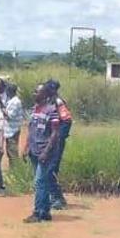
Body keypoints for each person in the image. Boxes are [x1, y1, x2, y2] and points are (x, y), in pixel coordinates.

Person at [23, 83, 62, 223]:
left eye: (37, 92)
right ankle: (45, 212)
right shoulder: (35, 110)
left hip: (45, 152)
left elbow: (55, 133)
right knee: (42, 182)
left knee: (39, 181)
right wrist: (26, 147)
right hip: (34, 150)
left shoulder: (52, 110)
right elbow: (31, 130)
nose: (34, 94)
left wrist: (46, 152)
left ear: (45, 95)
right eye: (34, 92)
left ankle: (38, 212)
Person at [44, 79, 74, 210]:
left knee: (51, 169)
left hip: (56, 142)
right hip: (50, 141)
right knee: (49, 169)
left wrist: (59, 138)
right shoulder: (49, 102)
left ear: (52, 90)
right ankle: (53, 197)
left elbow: (67, 121)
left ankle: (58, 198)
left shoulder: (58, 102)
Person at [2, 82, 25, 166]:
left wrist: (2, 108)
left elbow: (10, 116)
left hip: (13, 130)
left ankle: (16, 171)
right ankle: (12, 169)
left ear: (9, 91)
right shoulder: (11, 100)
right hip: (10, 130)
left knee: (13, 153)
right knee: (10, 152)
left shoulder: (15, 102)